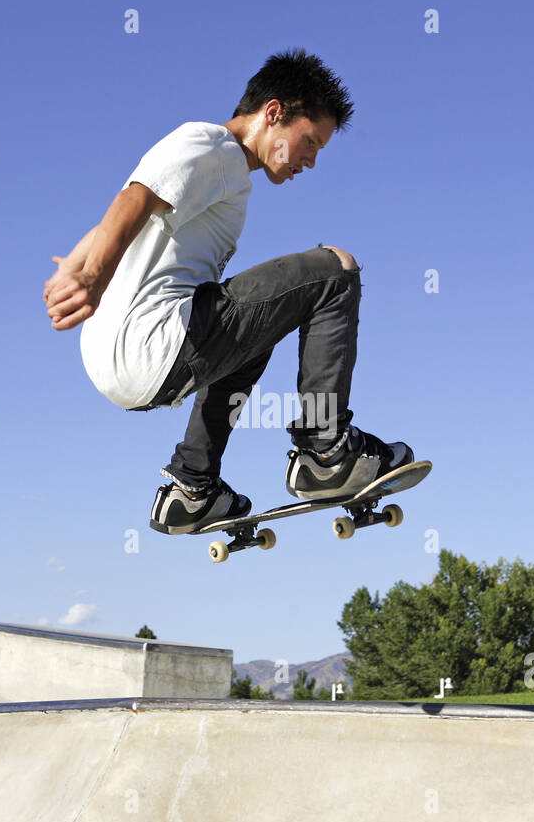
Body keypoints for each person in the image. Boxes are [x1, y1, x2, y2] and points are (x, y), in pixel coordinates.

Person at [44, 48, 414, 535]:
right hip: (157, 341)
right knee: (334, 271)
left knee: (256, 324)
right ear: (274, 112)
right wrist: (91, 276)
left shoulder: (222, 172)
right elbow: (134, 197)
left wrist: (74, 264)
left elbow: (127, 216)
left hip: (120, 364)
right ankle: (326, 450)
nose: (311, 161)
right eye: (310, 142)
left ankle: (194, 488)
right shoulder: (212, 145)